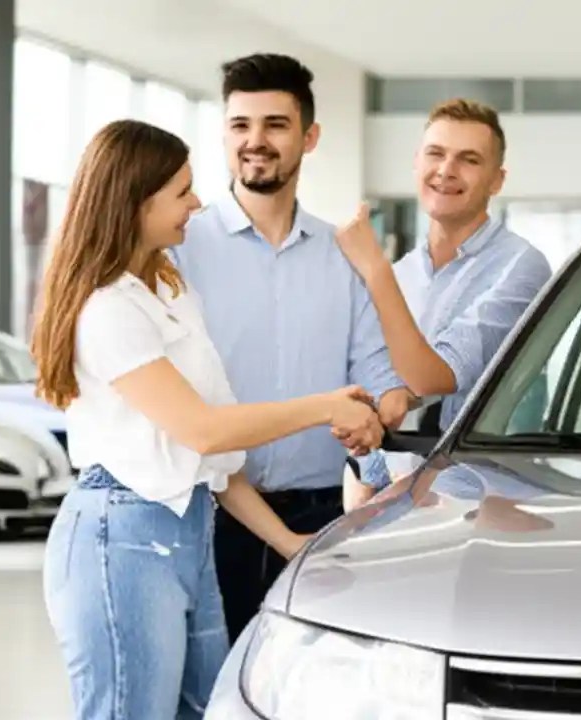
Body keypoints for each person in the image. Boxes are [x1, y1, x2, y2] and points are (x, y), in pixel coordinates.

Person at [31, 119, 383, 719]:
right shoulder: (108, 310)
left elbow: (212, 458)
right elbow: (204, 430)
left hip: (188, 530)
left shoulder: (167, 290)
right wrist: (325, 406)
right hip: (122, 537)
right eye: (182, 192)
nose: (197, 203)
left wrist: (287, 542)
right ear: (134, 201)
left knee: (208, 709)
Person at [168, 53, 411, 643]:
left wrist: (376, 419)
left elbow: (379, 378)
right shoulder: (176, 247)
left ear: (310, 136)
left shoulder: (342, 251)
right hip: (203, 512)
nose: (256, 141)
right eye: (240, 125)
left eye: (275, 125)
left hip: (320, 514)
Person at [333, 98, 553, 508]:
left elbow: (430, 378)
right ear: (417, 163)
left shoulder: (521, 267)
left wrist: (372, 269)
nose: (447, 170)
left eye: (469, 159)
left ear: (496, 180)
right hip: (394, 504)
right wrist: (365, 485)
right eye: (436, 154)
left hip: (481, 510)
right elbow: (380, 398)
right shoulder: (401, 274)